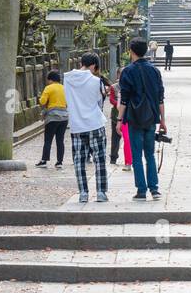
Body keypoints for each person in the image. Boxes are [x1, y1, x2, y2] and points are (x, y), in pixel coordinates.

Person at [118, 38, 166, 200]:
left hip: (134, 118)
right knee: (150, 154)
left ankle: (141, 190)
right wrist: (163, 120)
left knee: (136, 155)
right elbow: (160, 98)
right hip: (152, 117)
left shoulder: (128, 71)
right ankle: (154, 189)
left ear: (131, 51)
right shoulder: (154, 71)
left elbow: (124, 99)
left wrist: (119, 120)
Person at [63, 53, 110, 203]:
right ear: (94, 65)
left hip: (77, 125)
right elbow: (98, 103)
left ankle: (83, 193)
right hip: (95, 123)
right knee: (99, 159)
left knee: (79, 160)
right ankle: (101, 192)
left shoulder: (67, 79)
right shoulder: (96, 81)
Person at [34, 70, 67, 169]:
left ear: (50, 79)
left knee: (48, 140)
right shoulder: (64, 88)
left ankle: (44, 160)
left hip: (52, 117)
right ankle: (59, 162)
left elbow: (42, 102)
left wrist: (41, 97)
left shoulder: (48, 88)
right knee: (60, 140)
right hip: (64, 117)